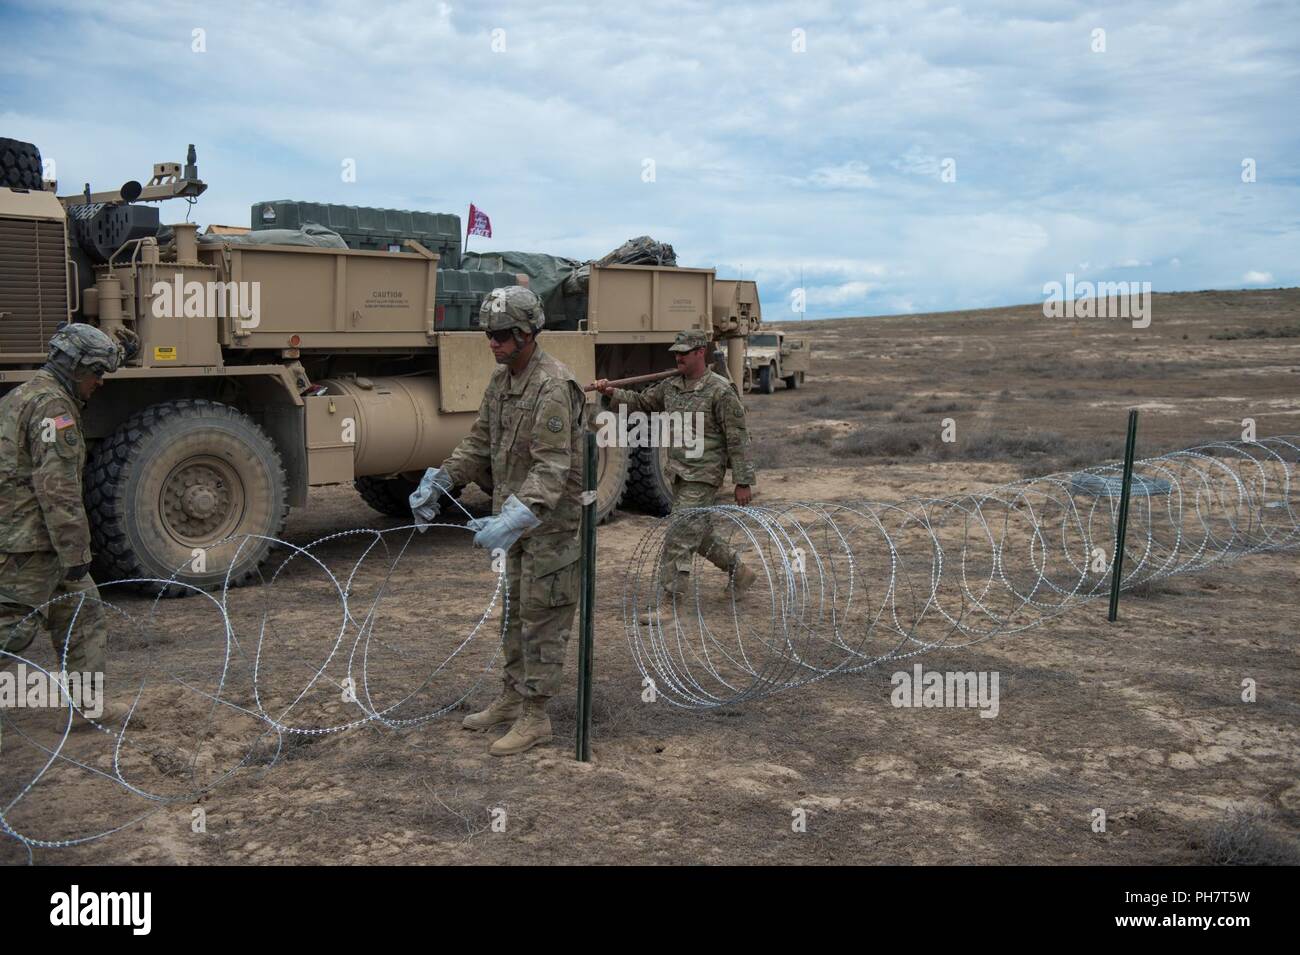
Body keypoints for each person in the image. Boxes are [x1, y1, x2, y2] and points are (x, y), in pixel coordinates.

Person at [410, 286, 585, 756]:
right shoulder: (502, 380)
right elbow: (479, 442)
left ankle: (536, 715)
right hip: (516, 519)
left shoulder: (553, 385)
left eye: (502, 334)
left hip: (549, 526)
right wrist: (443, 480)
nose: (493, 342)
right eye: (489, 334)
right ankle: (511, 697)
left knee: (543, 618)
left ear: (527, 334)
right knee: (514, 612)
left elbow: (552, 468)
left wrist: (513, 518)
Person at [0, 323, 124, 726]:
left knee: (83, 612)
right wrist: (75, 551)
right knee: (11, 633)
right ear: (75, 367)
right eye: (97, 372)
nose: (100, 382)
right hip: (29, 545)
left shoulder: (23, 394)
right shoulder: (53, 407)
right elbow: (57, 487)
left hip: (30, 537)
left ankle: (87, 708)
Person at [590, 329, 757, 614]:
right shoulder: (671, 386)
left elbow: (738, 438)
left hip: (703, 475)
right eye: (676, 353)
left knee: (679, 534)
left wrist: (742, 481)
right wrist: (611, 392)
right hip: (678, 473)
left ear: (700, 352)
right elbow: (642, 402)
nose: (678, 357)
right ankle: (739, 571)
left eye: (684, 353)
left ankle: (671, 601)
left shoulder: (720, 390)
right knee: (699, 533)